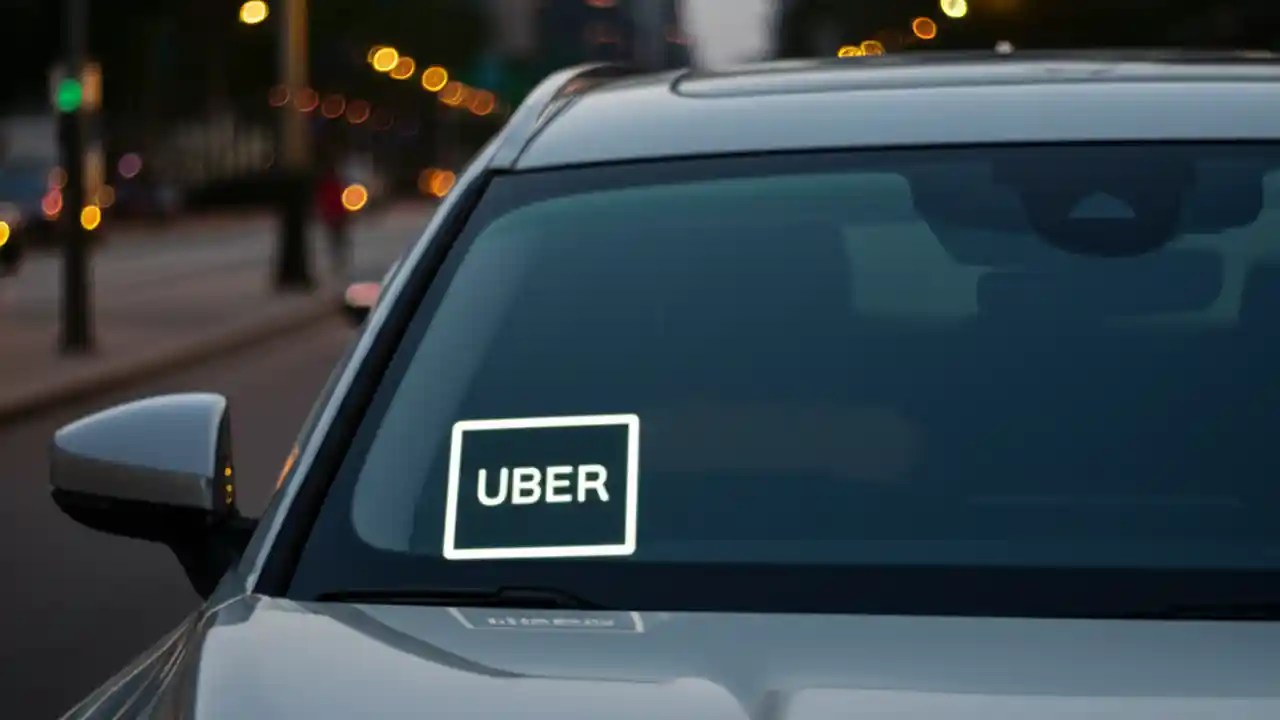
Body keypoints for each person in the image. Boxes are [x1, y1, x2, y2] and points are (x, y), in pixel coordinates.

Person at [315, 160, 351, 281]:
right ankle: (338, 259)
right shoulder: (333, 184)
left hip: (334, 215)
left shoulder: (330, 185)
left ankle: (338, 259)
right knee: (336, 239)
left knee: (336, 239)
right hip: (334, 215)